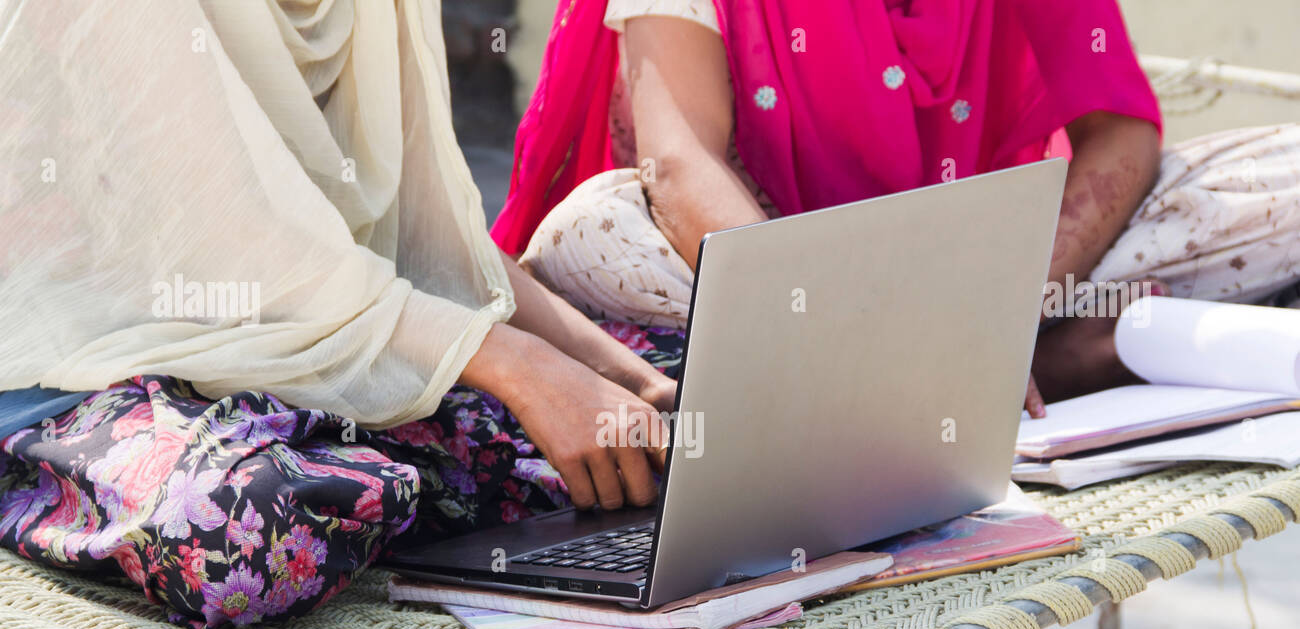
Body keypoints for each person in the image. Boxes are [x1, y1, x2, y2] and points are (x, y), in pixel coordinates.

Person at [0, 0, 678, 629]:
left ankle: (365, 484)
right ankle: (44, 485)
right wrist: (524, 370)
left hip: (306, 351)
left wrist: (634, 380)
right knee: (246, 527)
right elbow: (247, 253)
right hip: (91, 363)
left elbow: (432, 244)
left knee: (650, 408)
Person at [495, 0, 1300, 415]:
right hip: (779, 270)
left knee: (1283, 177)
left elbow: (1118, 131)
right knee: (590, 237)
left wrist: (995, 314)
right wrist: (886, 334)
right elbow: (678, 165)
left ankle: (994, 367)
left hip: (979, 259)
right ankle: (1060, 361)